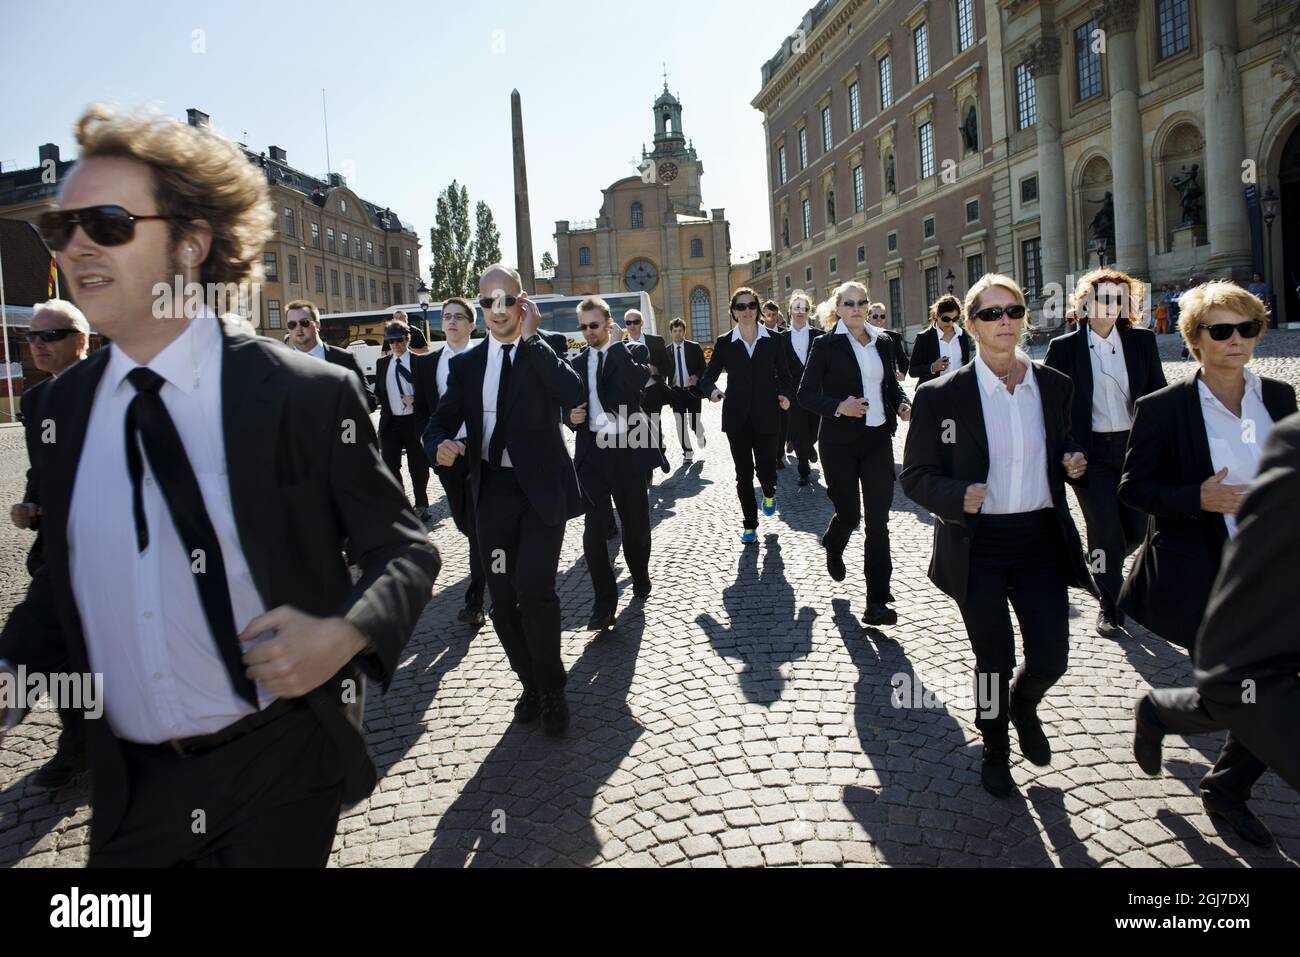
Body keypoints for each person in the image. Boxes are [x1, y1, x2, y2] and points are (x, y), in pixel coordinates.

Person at [9, 104, 439, 866]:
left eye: (107, 222)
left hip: (279, 767)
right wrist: (13, 667)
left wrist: (341, 634)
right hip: (132, 788)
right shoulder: (60, 410)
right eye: (60, 226)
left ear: (191, 243)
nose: (76, 246)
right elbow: (67, 577)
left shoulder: (305, 395)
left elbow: (405, 549)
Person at [901, 273, 1095, 798]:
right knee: (993, 662)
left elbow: (1069, 442)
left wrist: (1073, 459)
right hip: (978, 544)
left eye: (1013, 311)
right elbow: (915, 475)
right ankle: (994, 746)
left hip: (1040, 540)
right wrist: (956, 495)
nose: (1004, 321)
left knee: (1051, 657)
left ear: (1024, 318)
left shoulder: (1053, 385)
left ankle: (1023, 705)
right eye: (991, 314)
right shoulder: (941, 396)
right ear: (972, 325)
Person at [1121, 281, 1296, 847]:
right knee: (1244, 693)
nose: (1237, 340)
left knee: (1270, 687)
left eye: (1249, 328)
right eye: (1222, 330)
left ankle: (1222, 782)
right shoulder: (1163, 409)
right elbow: (1135, 488)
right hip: (1207, 578)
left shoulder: (1279, 397)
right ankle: (1166, 719)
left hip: (1278, 570)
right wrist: (1198, 497)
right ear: (1195, 339)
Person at [425, 264, 584, 735]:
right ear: (481, 307)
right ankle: (529, 682)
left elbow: (571, 392)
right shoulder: (467, 365)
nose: (498, 309)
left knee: (535, 591)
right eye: (488, 301)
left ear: (522, 302)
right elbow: (437, 423)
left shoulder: (545, 348)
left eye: (507, 299)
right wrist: (438, 445)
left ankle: (552, 689)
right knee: (504, 600)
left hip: (540, 492)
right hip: (492, 493)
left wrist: (532, 340)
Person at [1045, 268, 1167, 638]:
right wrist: (1067, 450)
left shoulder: (1142, 341)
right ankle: (1110, 606)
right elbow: (1050, 407)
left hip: (1134, 451)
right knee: (1105, 533)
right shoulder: (1064, 349)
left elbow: (1158, 394)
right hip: (1091, 455)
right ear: (1085, 303)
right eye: (1104, 298)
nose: (1113, 305)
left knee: (1138, 530)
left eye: (1120, 299)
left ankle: (1100, 561)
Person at [0, 299, 91, 789]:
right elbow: (42, 470)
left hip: (110, 547)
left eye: (49, 336)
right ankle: (79, 744)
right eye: (30, 337)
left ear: (81, 340)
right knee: (68, 656)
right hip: (56, 546)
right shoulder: (36, 402)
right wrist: (30, 503)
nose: (37, 345)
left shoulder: (110, 391)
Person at [799, 282, 910, 626]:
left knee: (878, 523)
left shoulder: (884, 341)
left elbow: (890, 385)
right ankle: (834, 544)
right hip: (839, 445)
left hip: (877, 440)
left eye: (862, 302)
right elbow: (805, 394)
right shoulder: (825, 345)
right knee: (849, 516)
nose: (857, 308)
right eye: (849, 303)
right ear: (838, 309)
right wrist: (839, 407)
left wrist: (902, 403)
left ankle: (877, 602)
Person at [564, 297, 658, 631]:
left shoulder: (633, 352)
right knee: (593, 532)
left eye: (594, 325)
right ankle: (604, 604)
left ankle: (640, 574)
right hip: (592, 455)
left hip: (628, 450)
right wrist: (570, 417)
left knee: (636, 526)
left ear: (608, 323)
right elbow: (565, 404)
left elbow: (636, 388)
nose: (588, 332)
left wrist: (617, 347)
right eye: (583, 327)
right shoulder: (576, 363)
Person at [696, 287, 794, 543]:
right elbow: (707, 378)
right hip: (736, 418)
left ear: (758, 309)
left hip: (768, 415)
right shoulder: (724, 342)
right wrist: (713, 392)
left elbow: (786, 376)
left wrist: (785, 395)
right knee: (743, 474)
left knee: (767, 471)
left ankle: (769, 493)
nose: (747, 310)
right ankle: (750, 524)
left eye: (751, 305)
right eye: (741, 306)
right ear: (733, 311)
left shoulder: (774, 340)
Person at [418, 296, 485, 628]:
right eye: (447, 316)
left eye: (459, 316)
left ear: (472, 324)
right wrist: (433, 450)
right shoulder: (428, 364)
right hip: (446, 458)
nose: (452, 321)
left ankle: (475, 600)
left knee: (477, 526)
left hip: (479, 453)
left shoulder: (483, 359)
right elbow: (423, 416)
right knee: (464, 524)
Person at [375, 321, 432, 521]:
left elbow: (431, 394)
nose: (396, 345)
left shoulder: (420, 362)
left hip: (414, 422)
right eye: (391, 341)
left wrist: (416, 399)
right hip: (391, 422)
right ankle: (400, 505)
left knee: (418, 466)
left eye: (399, 340)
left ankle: (422, 504)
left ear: (408, 339)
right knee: (390, 465)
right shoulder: (382, 364)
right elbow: (378, 391)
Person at [284, 299, 376, 411]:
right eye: (292, 324)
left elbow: (369, 402)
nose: (298, 328)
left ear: (317, 325)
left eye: (304, 322)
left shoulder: (345, 359)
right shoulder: (281, 367)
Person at [780, 291, 824, 486]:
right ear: (790, 310)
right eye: (796, 307)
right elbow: (777, 368)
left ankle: (809, 446)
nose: (800, 311)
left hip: (816, 393)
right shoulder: (781, 338)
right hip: (792, 394)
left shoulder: (819, 336)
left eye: (804, 308)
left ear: (809, 311)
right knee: (798, 431)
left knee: (814, 430)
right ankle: (803, 469)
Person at [665, 317, 707, 463]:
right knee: (680, 424)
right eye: (675, 331)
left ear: (684, 332)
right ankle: (687, 453)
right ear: (671, 332)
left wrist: (696, 376)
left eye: (680, 331)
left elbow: (703, 367)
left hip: (692, 391)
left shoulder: (694, 347)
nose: (677, 333)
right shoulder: (667, 351)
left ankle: (700, 434)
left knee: (694, 423)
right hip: (676, 392)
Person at [908, 294, 973, 384]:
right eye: (946, 319)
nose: (950, 323)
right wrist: (932, 367)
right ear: (936, 315)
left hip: (959, 388)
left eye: (955, 319)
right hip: (934, 390)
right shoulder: (924, 338)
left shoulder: (962, 335)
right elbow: (912, 371)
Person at [763, 300, 791, 468]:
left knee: (783, 421)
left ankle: (779, 455)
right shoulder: (757, 333)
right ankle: (770, 453)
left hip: (783, 383)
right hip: (764, 384)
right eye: (768, 314)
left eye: (774, 314)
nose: (771, 318)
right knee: (767, 421)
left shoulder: (785, 334)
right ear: (763, 315)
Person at [867, 302, 908, 382]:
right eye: (875, 316)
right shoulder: (861, 336)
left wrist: (902, 373)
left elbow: (903, 360)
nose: (879, 319)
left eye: (882, 316)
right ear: (868, 318)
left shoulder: (893, 336)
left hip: (889, 383)